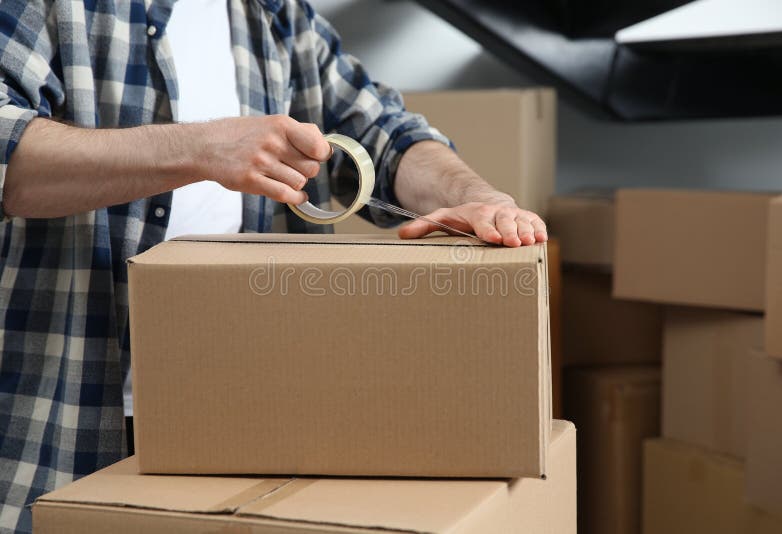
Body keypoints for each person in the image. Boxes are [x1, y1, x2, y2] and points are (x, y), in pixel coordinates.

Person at [0, 1, 547, 531]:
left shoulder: (273, 13)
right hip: (68, 413)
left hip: (250, 410)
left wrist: (479, 198)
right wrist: (200, 148)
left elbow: (386, 133)